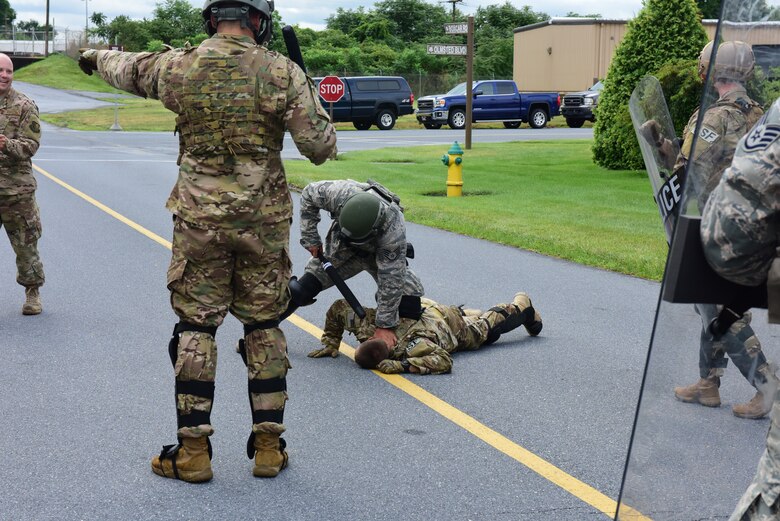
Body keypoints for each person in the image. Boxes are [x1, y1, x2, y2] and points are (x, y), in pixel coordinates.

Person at [78, 0, 336, 482]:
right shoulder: (282, 71)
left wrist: (92, 56)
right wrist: (309, 95)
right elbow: (320, 148)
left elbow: (124, 66)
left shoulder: (179, 65)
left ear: (212, 17)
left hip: (199, 225)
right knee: (263, 327)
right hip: (262, 227)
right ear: (259, 20)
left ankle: (193, 454)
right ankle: (268, 450)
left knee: (196, 327)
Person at [671, 41, 778, 419]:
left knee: (722, 310)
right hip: (758, 224)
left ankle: (770, 391)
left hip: (724, 227)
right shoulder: (761, 115)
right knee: (709, 301)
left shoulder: (714, 119)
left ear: (712, 71)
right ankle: (708, 383)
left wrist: (668, 153)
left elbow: (687, 174)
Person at [700, 97, 780, 520]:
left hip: (732, 234)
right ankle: (709, 381)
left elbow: (726, 246)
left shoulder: (727, 118)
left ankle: (761, 385)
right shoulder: (757, 108)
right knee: (716, 312)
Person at [284, 179, 425, 350]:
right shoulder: (339, 193)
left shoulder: (393, 232)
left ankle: (401, 344)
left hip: (376, 252)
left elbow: (391, 280)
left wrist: (384, 326)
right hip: (343, 245)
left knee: (410, 301)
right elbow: (308, 194)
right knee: (303, 290)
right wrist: (311, 237)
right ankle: (263, 332)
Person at [313, 293, 542, 375]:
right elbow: (339, 307)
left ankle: (522, 305)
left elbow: (444, 360)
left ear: (393, 349)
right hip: (424, 308)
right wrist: (331, 342)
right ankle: (465, 312)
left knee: (485, 330)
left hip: (448, 326)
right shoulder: (366, 325)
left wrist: (404, 366)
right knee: (457, 315)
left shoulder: (415, 345)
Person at [0, 52, 43, 315]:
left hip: (17, 192)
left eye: (9, 71)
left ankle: (32, 293)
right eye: (0, 70)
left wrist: (7, 145)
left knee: (26, 247)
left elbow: (31, 145)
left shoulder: (24, 105)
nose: (4, 75)